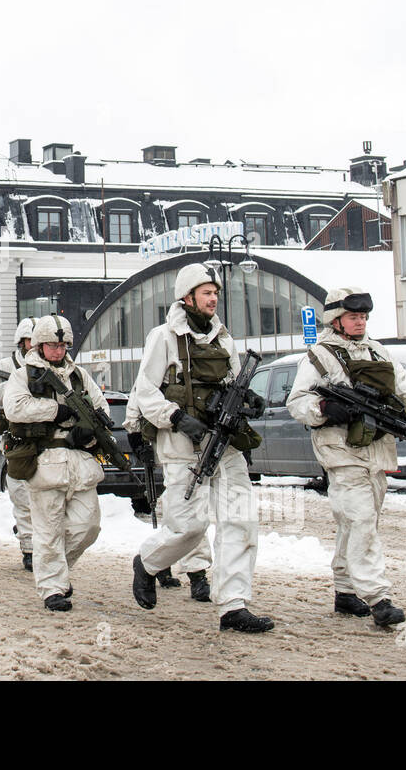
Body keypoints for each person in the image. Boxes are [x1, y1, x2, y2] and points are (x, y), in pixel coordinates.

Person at [129, 262, 273, 633]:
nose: (213, 299)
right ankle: (147, 562)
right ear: (187, 296)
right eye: (207, 292)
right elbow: (144, 391)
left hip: (225, 443)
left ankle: (233, 606)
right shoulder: (163, 337)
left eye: (216, 293)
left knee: (241, 521)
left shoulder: (224, 339)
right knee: (189, 527)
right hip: (182, 444)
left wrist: (251, 400)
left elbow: (234, 381)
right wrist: (175, 418)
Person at [286, 287, 406, 629]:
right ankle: (377, 598)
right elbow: (297, 402)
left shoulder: (377, 351)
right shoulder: (319, 355)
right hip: (339, 450)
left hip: (375, 448)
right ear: (335, 320)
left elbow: (404, 384)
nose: (360, 322)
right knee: (361, 520)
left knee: (356, 523)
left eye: (364, 317)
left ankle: (345, 590)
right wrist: (325, 409)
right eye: (354, 317)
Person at [2, 315, 110, 612]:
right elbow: (15, 407)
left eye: (63, 345)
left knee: (88, 525)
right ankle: (52, 588)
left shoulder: (79, 375)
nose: (59, 351)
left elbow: (99, 406)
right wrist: (56, 410)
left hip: (79, 461)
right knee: (48, 530)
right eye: (52, 345)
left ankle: (56, 570)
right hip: (45, 461)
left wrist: (89, 431)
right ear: (39, 344)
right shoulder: (24, 374)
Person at [122, 404, 214, 600]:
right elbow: (137, 405)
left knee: (183, 511)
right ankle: (190, 571)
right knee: (186, 512)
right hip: (167, 447)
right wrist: (137, 442)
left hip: (194, 443)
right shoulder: (155, 374)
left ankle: (173, 565)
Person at [0, 318, 38, 571]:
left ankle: (40, 543)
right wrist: (16, 386)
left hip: (44, 442)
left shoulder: (47, 365)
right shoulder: (6, 366)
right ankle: (29, 548)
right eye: (30, 341)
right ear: (22, 342)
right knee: (20, 495)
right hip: (17, 442)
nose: (34, 346)